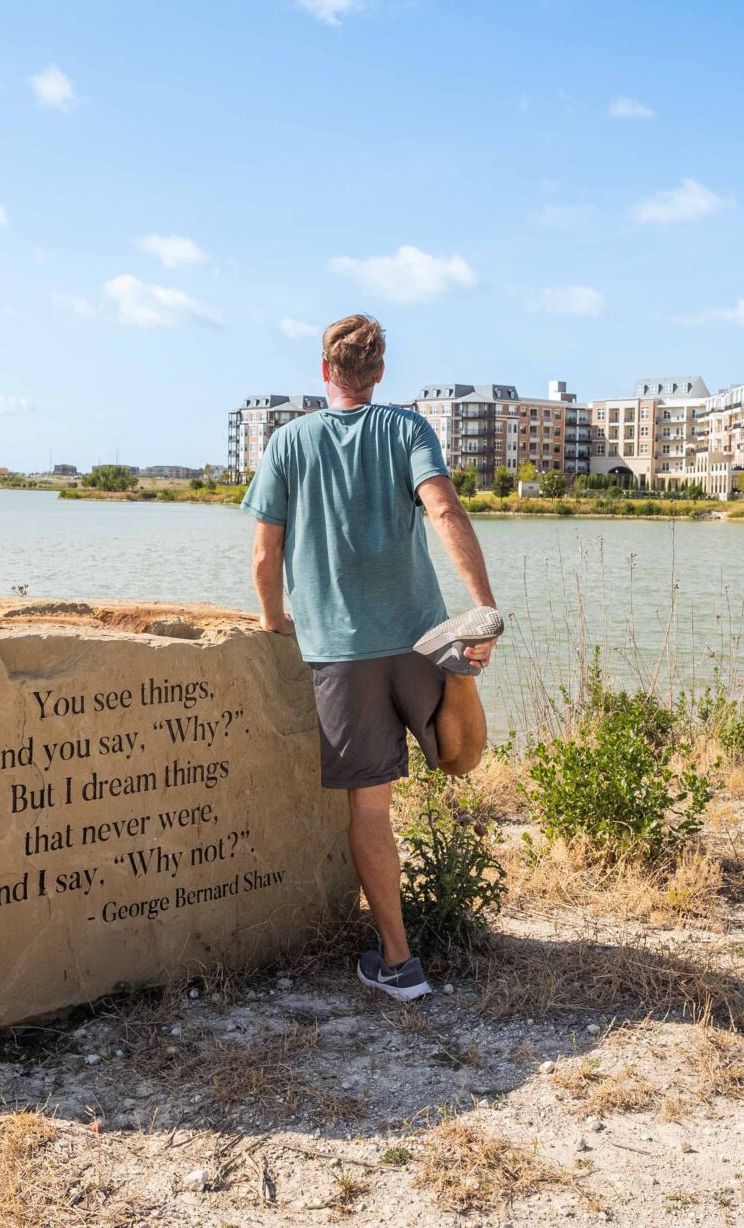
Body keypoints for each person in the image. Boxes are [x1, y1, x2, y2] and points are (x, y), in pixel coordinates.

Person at [241, 314, 503, 1001]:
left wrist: (273, 622)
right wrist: (482, 607)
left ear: (325, 373)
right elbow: (445, 511)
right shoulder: (409, 429)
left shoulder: (288, 442)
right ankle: (460, 680)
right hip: (420, 637)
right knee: (458, 761)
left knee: (371, 812)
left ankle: (398, 960)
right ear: (380, 372)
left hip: (342, 652)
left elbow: (266, 552)